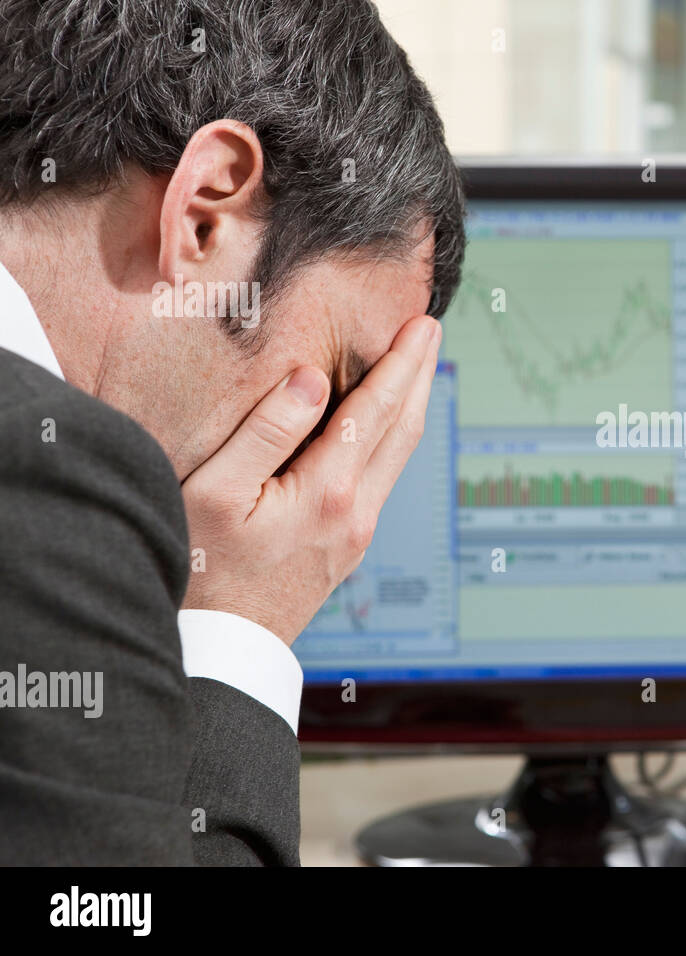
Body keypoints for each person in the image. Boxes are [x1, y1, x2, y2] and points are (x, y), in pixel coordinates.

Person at [0, 0, 465, 864]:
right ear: (206, 211)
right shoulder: (46, 478)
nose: (320, 476)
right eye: (334, 386)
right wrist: (237, 622)